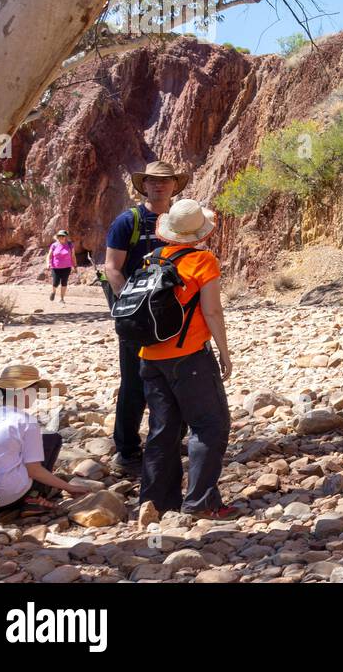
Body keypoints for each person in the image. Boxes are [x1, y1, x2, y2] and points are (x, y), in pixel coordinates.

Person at [138, 199, 238, 520]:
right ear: (199, 232)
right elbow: (212, 310)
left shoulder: (151, 258)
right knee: (210, 425)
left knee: (162, 430)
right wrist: (224, 352)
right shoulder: (202, 261)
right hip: (189, 357)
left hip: (150, 357)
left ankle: (155, 503)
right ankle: (201, 502)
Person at [103, 160, 185, 475]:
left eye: (165, 181)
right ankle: (126, 451)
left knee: (175, 378)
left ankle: (171, 441)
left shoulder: (181, 221)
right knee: (134, 383)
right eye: (153, 181)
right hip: (137, 317)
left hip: (171, 313)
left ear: (174, 186)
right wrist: (131, 303)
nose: (159, 186)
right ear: (144, 185)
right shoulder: (128, 222)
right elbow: (112, 266)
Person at [0, 366, 98, 515]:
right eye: (35, 391)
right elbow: (34, 470)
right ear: (24, 391)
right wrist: (69, 487)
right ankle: (33, 497)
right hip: (5, 498)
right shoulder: (26, 421)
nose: (36, 396)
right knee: (52, 439)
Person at [47, 229, 75, 302]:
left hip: (67, 267)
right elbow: (49, 255)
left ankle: (62, 299)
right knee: (55, 282)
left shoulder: (70, 245)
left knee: (64, 282)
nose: (61, 237)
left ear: (66, 237)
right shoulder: (54, 245)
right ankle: (53, 292)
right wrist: (48, 263)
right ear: (57, 237)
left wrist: (75, 265)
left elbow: (73, 256)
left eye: (63, 236)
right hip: (55, 267)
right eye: (59, 236)